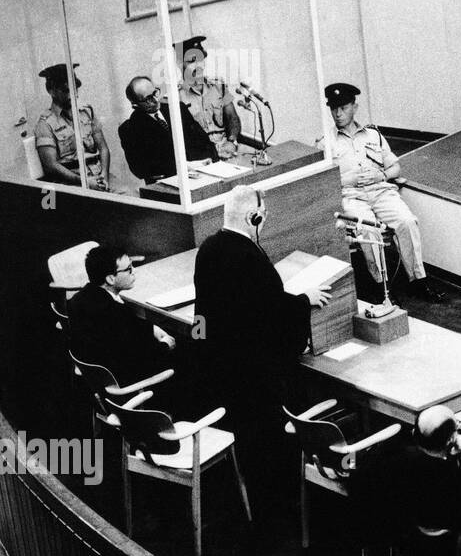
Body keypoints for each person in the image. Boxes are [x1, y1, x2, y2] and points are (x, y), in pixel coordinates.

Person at [192, 186, 330, 446]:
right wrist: (304, 300)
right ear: (252, 218)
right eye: (263, 215)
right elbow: (271, 311)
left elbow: (215, 308)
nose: (264, 221)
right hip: (252, 373)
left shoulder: (208, 248)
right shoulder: (250, 257)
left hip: (217, 363)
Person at [326, 82, 438, 299]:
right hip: (352, 196)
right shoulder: (326, 143)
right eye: (333, 109)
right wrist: (350, 179)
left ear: (354, 107)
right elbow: (325, 182)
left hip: (381, 191)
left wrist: (382, 175)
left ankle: (418, 281)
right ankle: (382, 287)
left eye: (343, 107)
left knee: (407, 221)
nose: (338, 114)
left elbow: (395, 167)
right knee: (369, 231)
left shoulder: (372, 135)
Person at [347, 406, 461, 547]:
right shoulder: (444, 473)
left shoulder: (387, 451)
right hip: (418, 528)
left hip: (377, 520)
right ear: (451, 440)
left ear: (414, 433)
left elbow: (353, 467)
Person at [68, 245, 176, 387]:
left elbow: (127, 327)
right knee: (190, 350)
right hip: (127, 379)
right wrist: (165, 345)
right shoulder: (113, 312)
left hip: (100, 375)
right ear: (111, 279)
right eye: (129, 269)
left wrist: (151, 328)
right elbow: (138, 358)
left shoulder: (79, 299)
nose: (134, 271)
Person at [118, 75, 217, 182]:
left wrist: (210, 162)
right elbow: (140, 169)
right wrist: (184, 167)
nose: (156, 100)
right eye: (148, 99)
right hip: (168, 181)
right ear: (135, 104)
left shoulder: (178, 109)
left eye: (155, 93)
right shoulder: (130, 129)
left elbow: (204, 141)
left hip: (200, 173)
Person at [33, 63, 113, 191]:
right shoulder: (45, 124)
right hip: (72, 183)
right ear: (51, 91)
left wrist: (105, 176)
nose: (73, 94)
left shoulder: (87, 112)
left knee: (134, 198)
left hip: (98, 176)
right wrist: (85, 182)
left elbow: (103, 148)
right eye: (66, 90)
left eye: (75, 88)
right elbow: (51, 166)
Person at [173, 35, 241, 159]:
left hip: (226, 151)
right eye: (191, 61)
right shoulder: (176, 96)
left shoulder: (219, 86)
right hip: (200, 157)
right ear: (179, 64)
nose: (197, 65)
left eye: (200, 59)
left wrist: (231, 141)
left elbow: (232, 117)